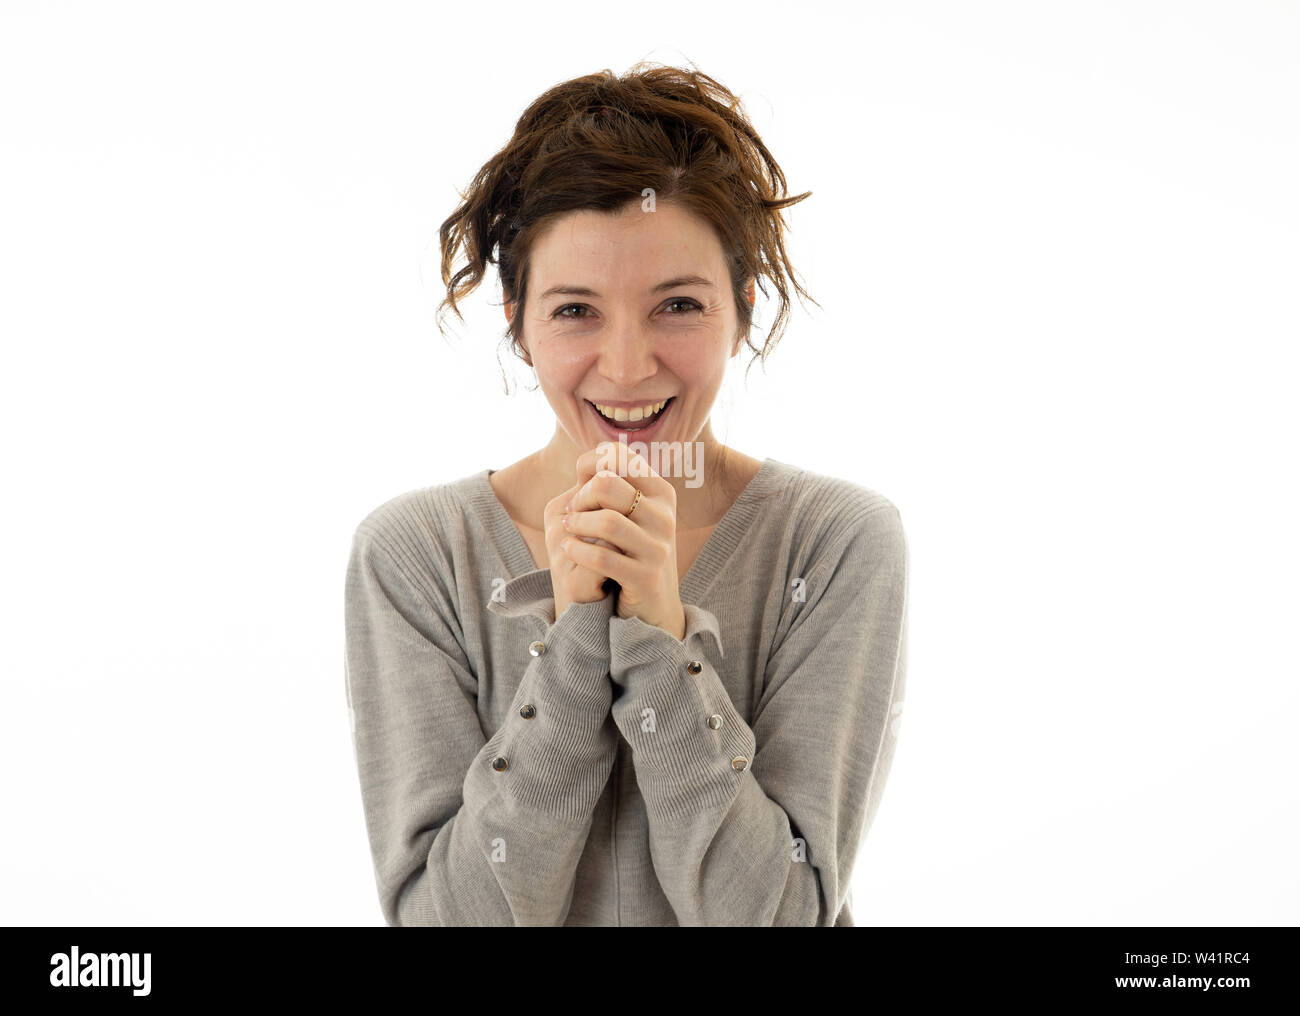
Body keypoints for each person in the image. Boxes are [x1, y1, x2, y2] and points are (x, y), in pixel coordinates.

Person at [343, 61, 909, 926]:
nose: (628, 365)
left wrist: (657, 635)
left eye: (678, 304)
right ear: (517, 321)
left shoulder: (834, 543)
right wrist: (575, 647)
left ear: (745, 306)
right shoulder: (417, 555)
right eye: (575, 311)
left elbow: (780, 913)